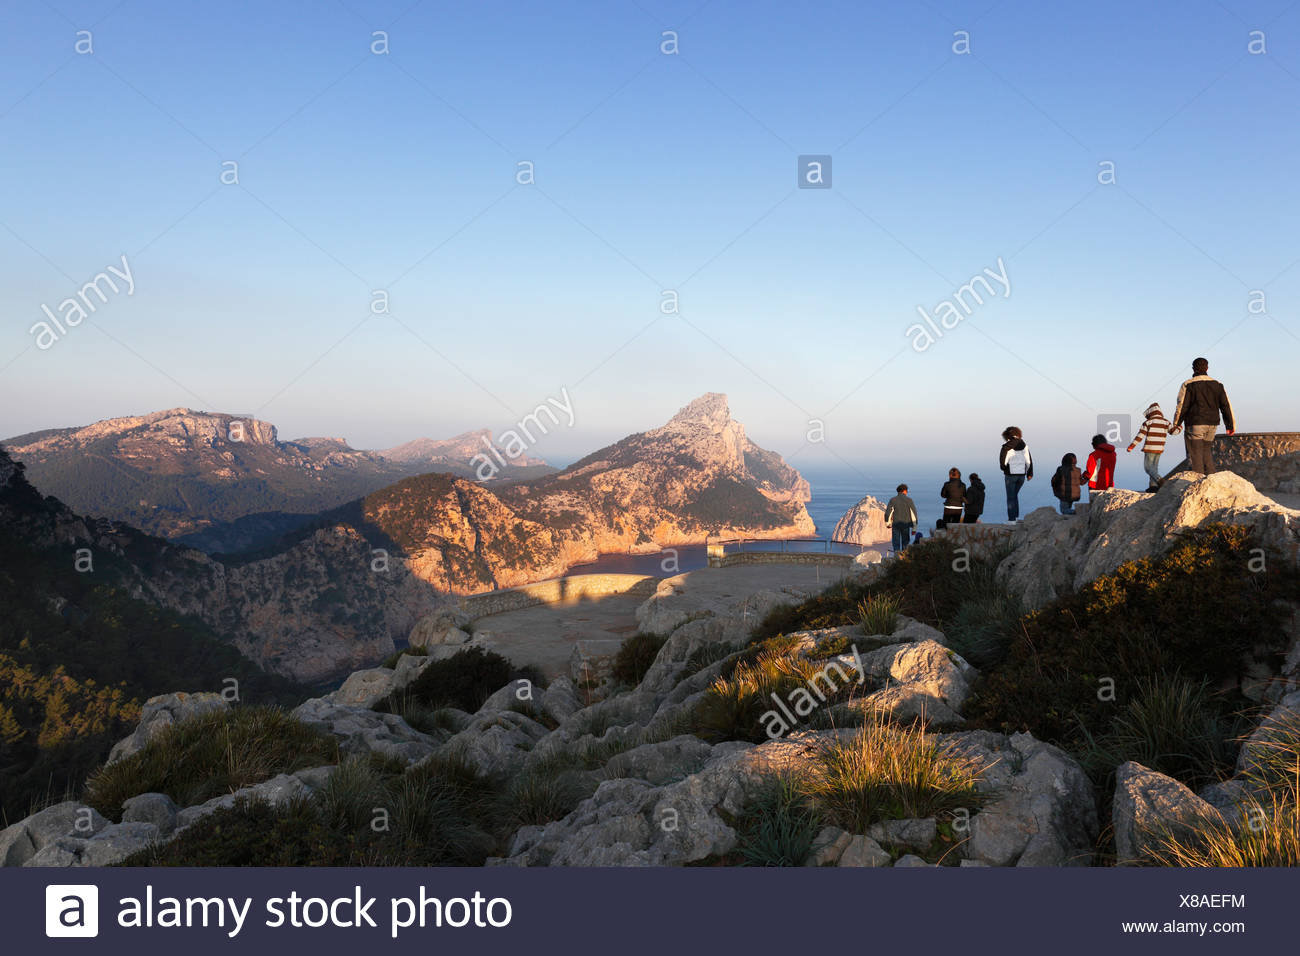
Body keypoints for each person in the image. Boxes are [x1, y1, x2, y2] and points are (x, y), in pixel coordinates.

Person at [1170, 357, 1235, 475]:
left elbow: (1182, 406)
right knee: (1206, 453)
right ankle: (1211, 481)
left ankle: (1198, 483)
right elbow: (1226, 405)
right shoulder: (1217, 384)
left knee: (1196, 455)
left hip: (1195, 423)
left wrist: (1176, 424)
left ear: (1193, 368)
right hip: (1212, 424)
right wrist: (1230, 425)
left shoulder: (1188, 384)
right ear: (1207, 368)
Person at [1127, 402, 1170, 492]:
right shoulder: (1166, 422)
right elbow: (1174, 431)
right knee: (1154, 468)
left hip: (1150, 448)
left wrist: (1132, 446)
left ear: (1150, 413)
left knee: (1148, 468)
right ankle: (1153, 487)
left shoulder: (1148, 422)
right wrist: (1180, 427)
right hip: (1159, 448)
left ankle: (1160, 481)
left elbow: (1140, 435)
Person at [999, 426, 1033, 520]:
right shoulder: (1025, 445)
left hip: (1010, 475)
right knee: (1014, 496)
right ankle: (1016, 518)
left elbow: (1003, 460)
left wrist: (1004, 468)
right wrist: (1029, 473)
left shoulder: (1006, 446)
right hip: (1021, 475)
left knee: (1010, 498)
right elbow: (1029, 460)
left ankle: (1012, 519)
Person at [883, 483, 918, 555]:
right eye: (907, 491)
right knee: (905, 543)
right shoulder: (909, 500)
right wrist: (914, 528)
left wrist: (888, 523)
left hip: (896, 525)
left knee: (896, 543)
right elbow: (913, 514)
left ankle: (897, 558)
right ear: (904, 491)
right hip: (906, 525)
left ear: (898, 491)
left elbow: (888, 513)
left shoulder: (893, 500)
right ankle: (904, 558)